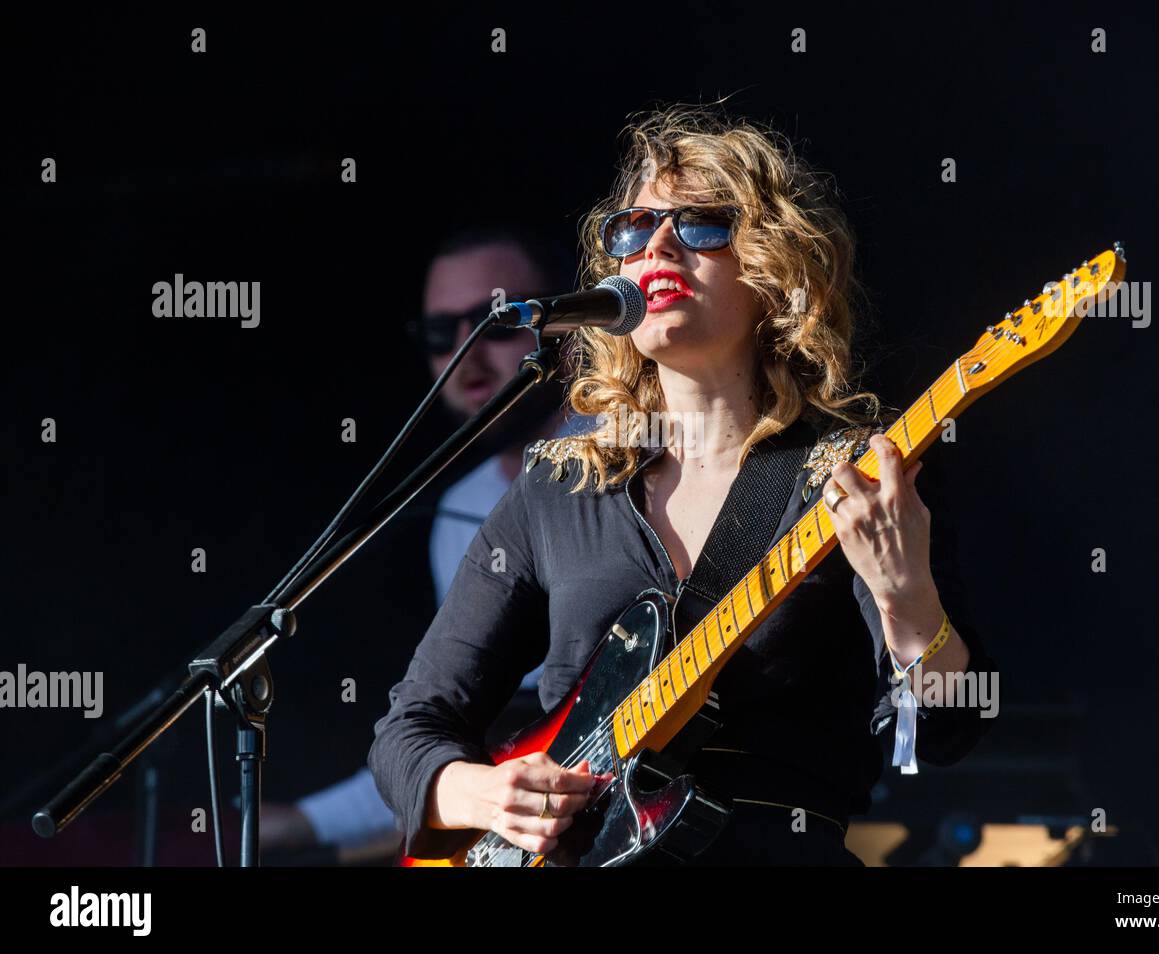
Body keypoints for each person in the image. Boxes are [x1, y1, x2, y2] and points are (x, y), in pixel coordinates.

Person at [369, 103, 999, 866]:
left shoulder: (854, 476)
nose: (658, 243)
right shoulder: (562, 489)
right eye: (634, 229)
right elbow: (410, 728)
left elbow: (945, 731)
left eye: (700, 224)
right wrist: (478, 792)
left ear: (776, 266)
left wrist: (908, 602)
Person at [260, 226, 585, 857]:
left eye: (496, 320)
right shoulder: (463, 507)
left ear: (571, 318)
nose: (467, 354)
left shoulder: (645, 451)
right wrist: (304, 823)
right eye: (442, 335)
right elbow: (454, 734)